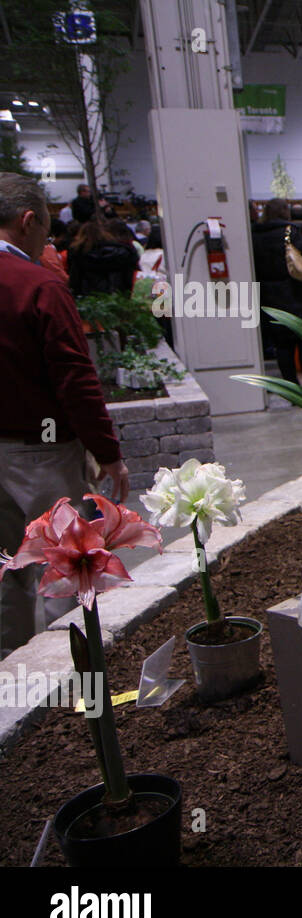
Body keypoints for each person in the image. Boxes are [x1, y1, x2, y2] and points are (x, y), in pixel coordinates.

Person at [0, 173, 129, 657]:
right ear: (28, 220)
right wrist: (108, 452)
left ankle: (15, 679)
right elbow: (75, 378)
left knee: (7, 567)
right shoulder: (38, 286)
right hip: (42, 455)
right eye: (47, 228)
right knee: (61, 567)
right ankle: (70, 676)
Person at [251, 197, 302, 392]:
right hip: (297, 295)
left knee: (283, 346)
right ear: (285, 212)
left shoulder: (254, 235)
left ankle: (292, 390)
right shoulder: (290, 232)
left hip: (270, 297)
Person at [67, 216, 139, 297]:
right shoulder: (124, 252)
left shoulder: (79, 255)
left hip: (88, 299)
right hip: (118, 298)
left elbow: (74, 282)